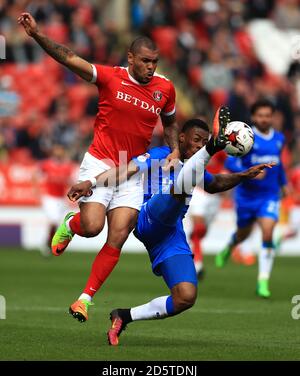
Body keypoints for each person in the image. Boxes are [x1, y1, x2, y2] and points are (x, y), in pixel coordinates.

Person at [18, 13, 181, 320]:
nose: (151, 67)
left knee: (118, 234)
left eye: (155, 62)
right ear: (130, 58)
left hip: (132, 170)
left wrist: (173, 150)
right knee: (92, 228)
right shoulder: (110, 76)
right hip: (99, 162)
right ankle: (71, 224)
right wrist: (37, 35)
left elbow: (170, 122)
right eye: (145, 61)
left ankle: (84, 299)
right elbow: (69, 58)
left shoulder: (165, 88)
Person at [68, 107, 273, 346]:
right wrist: (90, 182)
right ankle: (215, 147)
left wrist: (243, 176)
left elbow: (215, 183)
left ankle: (123, 316)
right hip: (148, 217)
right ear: (182, 138)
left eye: (204, 143)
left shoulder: (194, 167)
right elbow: (126, 170)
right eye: (197, 141)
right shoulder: (160, 155)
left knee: (186, 296)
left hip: (171, 234)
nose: (197, 145)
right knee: (177, 189)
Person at [215, 100, 288, 298]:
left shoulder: (279, 139)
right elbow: (231, 163)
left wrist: (284, 183)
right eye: (260, 115)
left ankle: (262, 281)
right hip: (246, 197)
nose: (264, 118)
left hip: (269, 195)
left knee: (267, 232)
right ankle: (230, 246)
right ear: (254, 117)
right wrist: (248, 172)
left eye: (268, 115)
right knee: (243, 234)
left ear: (272, 117)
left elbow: (279, 165)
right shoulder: (245, 136)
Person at [187, 150, 226, 278]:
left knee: (201, 232)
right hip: (199, 190)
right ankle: (197, 264)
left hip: (215, 195)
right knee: (199, 228)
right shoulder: (199, 140)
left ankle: (192, 245)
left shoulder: (225, 144)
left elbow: (229, 163)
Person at [38, 144, 76, 256]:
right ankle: (48, 244)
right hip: (50, 198)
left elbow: (71, 182)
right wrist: (37, 193)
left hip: (61, 199)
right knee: (54, 221)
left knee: (58, 223)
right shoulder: (46, 165)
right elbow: (35, 177)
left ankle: (49, 243)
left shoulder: (67, 167)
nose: (58, 153)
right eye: (57, 150)